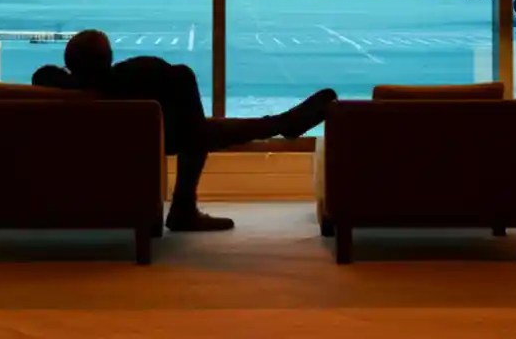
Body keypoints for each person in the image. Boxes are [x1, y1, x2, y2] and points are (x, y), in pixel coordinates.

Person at [33, 29, 336, 232]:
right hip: (149, 139)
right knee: (189, 100)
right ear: (108, 58)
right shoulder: (129, 77)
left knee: (200, 129)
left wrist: (82, 84)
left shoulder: (69, 87)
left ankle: (282, 123)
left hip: (122, 143)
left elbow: (44, 75)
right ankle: (184, 207)